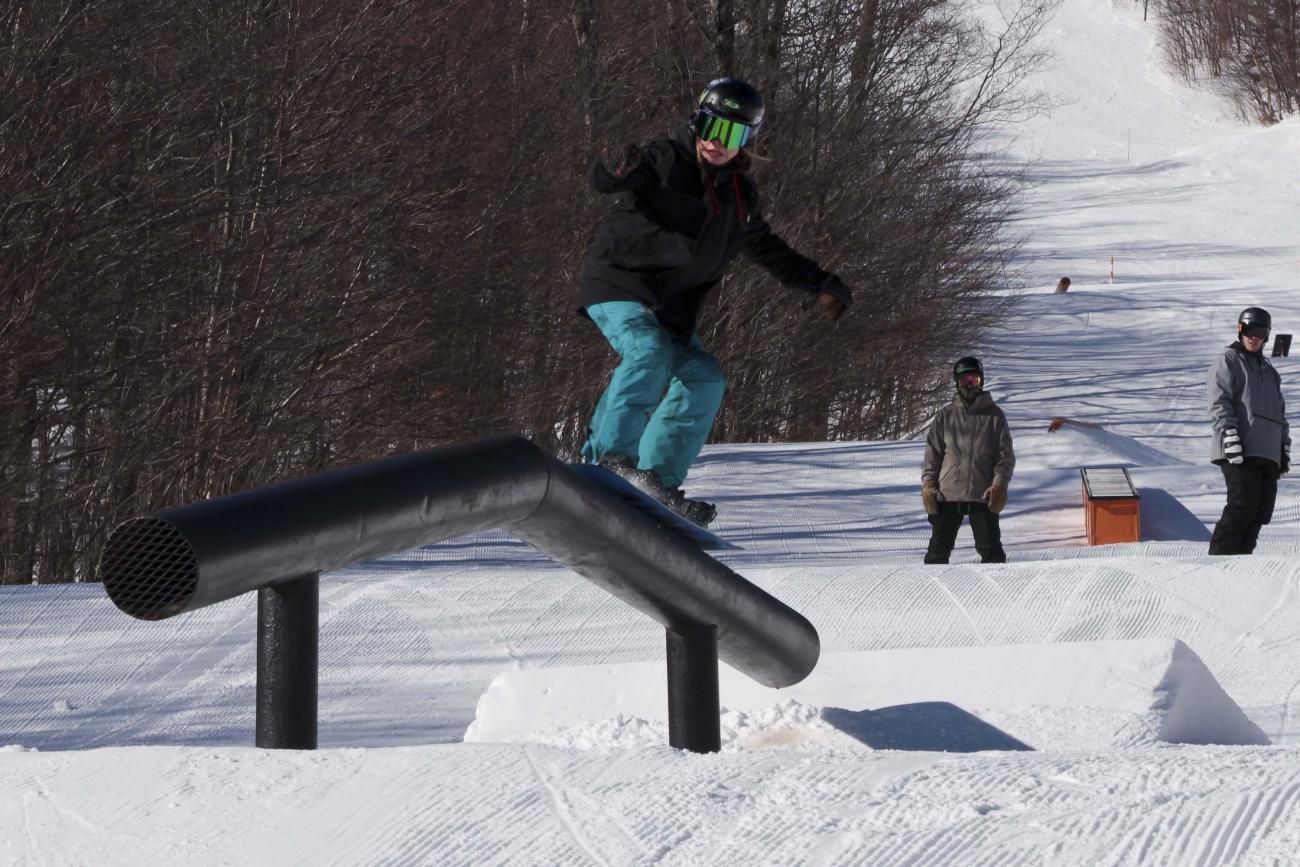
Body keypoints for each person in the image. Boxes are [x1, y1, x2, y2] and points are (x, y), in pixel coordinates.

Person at [575, 77, 854, 527]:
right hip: (620, 284)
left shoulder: (739, 197)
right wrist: (611, 166)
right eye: (710, 127)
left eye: (732, 135)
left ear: (747, 141)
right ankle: (608, 461)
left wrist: (820, 281)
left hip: (671, 308)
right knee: (649, 352)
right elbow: (609, 177)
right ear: (697, 121)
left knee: (705, 378)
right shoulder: (666, 159)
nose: (716, 143)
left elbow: (768, 249)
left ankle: (654, 485)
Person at [1207, 307, 1290, 555]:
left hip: (1268, 452)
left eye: (1260, 332)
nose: (1254, 337)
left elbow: (1279, 412)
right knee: (1241, 507)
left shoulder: (1270, 372)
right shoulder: (1229, 360)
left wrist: (1283, 446)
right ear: (1240, 330)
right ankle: (1218, 562)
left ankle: (1240, 564)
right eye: (1249, 331)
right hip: (1241, 449)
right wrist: (1229, 434)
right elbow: (1219, 400)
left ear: (1267, 336)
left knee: (1260, 514)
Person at [920, 357, 1015, 564]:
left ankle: (997, 592)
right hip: (948, 493)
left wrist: (999, 485)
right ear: (957, 382)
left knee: (991, 551)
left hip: (983, 493)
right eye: (964, 381)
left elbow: (1004, 455)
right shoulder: (946, 416)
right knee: (938, 550)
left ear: (981, 382)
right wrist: (928, 485)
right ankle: (930, 592)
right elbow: (933, 454)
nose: (969, 385)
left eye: (974, 380)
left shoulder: (995, 416)